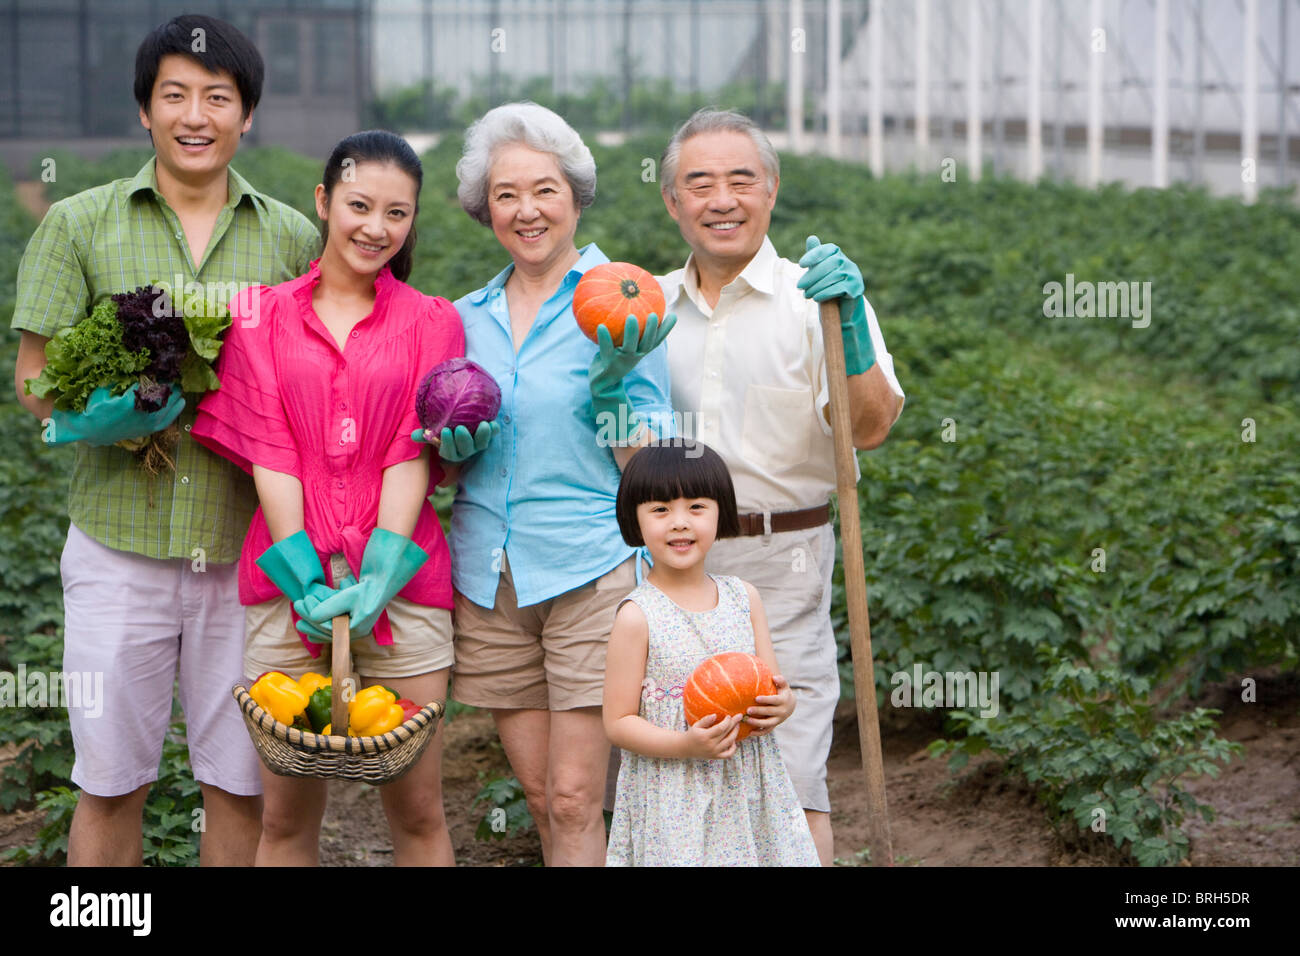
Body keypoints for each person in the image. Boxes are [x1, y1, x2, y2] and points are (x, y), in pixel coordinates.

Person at [10, 14, 320, 866]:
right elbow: (33, 379)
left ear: (246, 114)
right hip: (119, 552)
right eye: (173, 94)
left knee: (242, 784)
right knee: (110, 783)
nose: (196, 115)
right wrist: (98, 416)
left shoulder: (293, 236)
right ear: (144, 111)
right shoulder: (78, 223)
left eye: (217, 97)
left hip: (246, 558)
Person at [191, 130, 466, 866]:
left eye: (397, 213)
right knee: (283, 820)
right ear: (323, 201)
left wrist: (380, 570)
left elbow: (413, 448)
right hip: (286, 587)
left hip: (404, 586)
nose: (376, 228)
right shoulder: (261, 316)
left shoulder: (432, 320)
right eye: (359, 205)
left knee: (418, 812)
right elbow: (270, 449)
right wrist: (305, 574)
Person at [656, 108, 906, 865]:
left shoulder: (820, 300)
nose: (721, 199)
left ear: (772, 190)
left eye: (742, 179)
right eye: (700, 183)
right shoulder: (648, 307)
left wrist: (854, 329)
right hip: (671, 570)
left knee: (792, 783)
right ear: (672, 201)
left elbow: (867, 429)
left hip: (785, 562)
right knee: (684, 779)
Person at [433, 102, 674, 866]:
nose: (526, 210)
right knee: (540, 798)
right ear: (484, 209)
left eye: (544, 189)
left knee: (575, 799)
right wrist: (448, 450)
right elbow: (439, 463)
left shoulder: (622, 304)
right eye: (506, 194)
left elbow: (652, 472)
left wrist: (614, 390)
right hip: (490, 577)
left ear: (574, 195)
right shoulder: (462, 320)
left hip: (589, 570)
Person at [603, 440, 820, 866]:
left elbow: (773, 686)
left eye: (697, 507)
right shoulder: (637, 616)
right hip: (674, 790)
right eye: (660, 509)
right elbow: (618, 721)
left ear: (720, 512)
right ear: (635, 520)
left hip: (749, 784)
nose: (680, 523)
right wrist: (685, 744)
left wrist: (784, 704)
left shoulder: (744, 598)